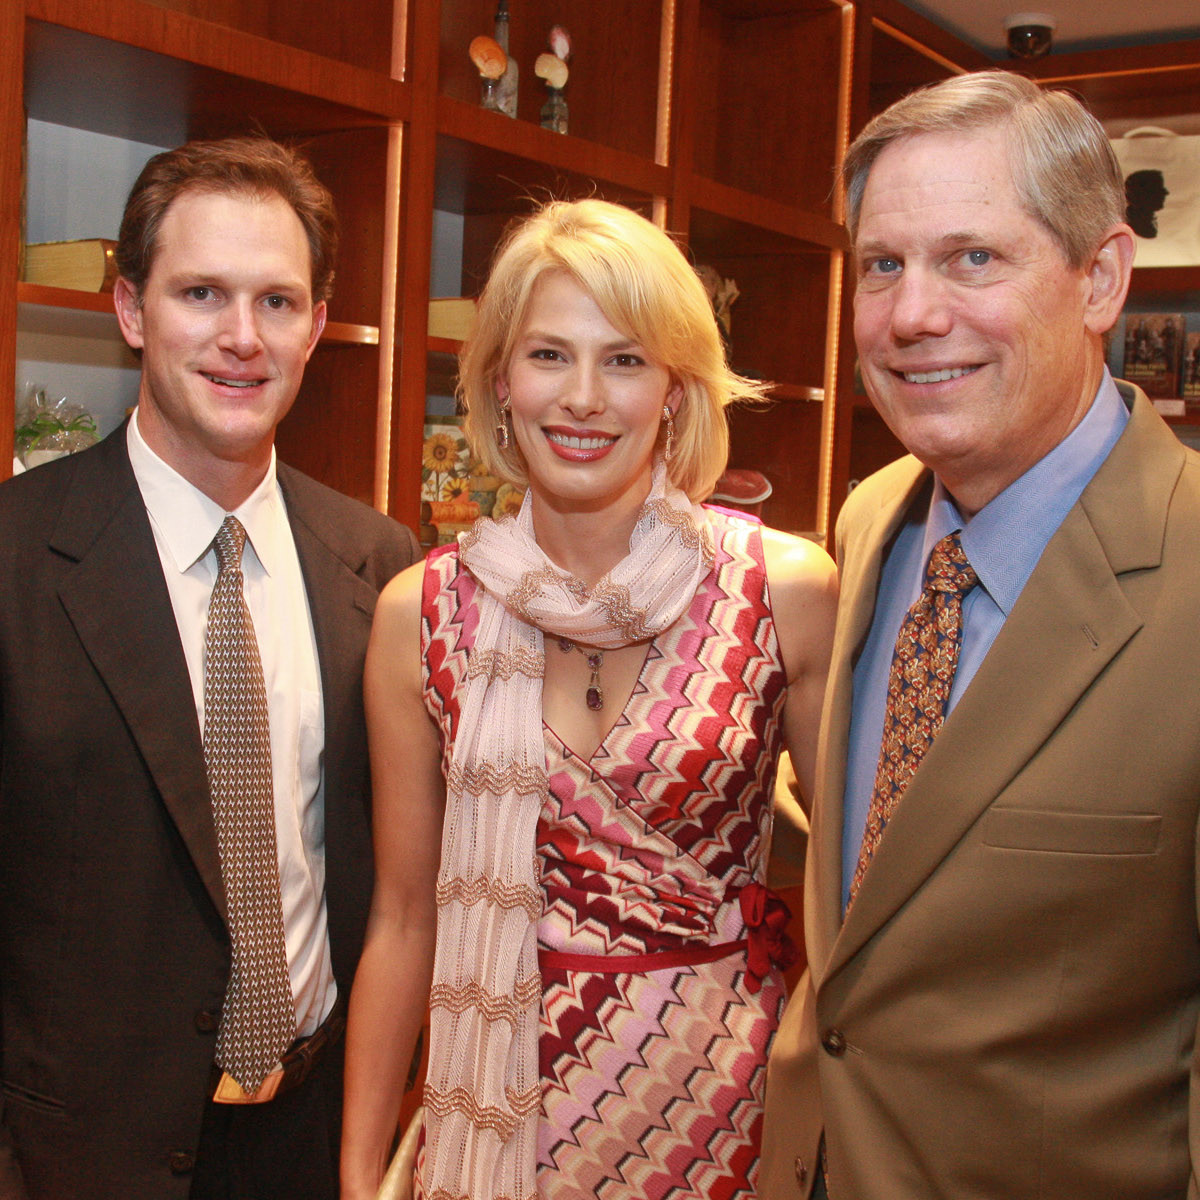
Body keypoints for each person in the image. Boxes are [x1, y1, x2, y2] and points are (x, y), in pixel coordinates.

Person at [760, 69, 1200, 1199]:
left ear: (1101, 279)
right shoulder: (869, 522)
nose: (911, 315)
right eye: (882, 266)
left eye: (971, 258)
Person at [341, 198, 837, 1200]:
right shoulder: (420, 611)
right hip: (497, 1120)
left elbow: (854, 890)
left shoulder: (783, 587)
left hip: (724, 1113)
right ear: (499, 381)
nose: (582, 399)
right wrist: (357, 1171)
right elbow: (403, 916)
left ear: (675, 389)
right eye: (549, 356)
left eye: (624, 360)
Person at [0, 136, 420, 1199]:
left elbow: (401, 884)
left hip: (313, 1141)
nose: (242, 337)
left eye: (277, 301)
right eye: (201, 294)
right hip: (72, 1159)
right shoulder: (13, 557)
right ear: (131, 310)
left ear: (316, 327)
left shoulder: (382, 567)